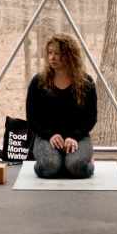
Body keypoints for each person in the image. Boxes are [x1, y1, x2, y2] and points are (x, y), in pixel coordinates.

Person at [27, 33, 98, 178]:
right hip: (46, 136)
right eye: (50, 53)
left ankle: (82, 162)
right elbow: (32, 117)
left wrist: (74, 136)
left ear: (69, 55)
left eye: (57, 53)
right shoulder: (38, 81)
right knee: (49, 167)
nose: (52, 57)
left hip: (78, 136)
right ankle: (56, 163)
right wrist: (50, 135)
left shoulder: (86, 82)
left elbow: (91, 118)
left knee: (77, 167)